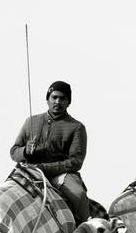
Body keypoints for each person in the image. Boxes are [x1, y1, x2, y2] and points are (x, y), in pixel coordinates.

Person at [10, 80, 89, 224]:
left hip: (61, 176)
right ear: (48, 99)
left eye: (63, 98)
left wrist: (44, 168)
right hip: (30, 172)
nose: (57, 101)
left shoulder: (77, 127)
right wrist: (26, 151)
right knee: (5, 194)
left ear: (68, 102)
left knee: (78, 194)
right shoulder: (31, 122)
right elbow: (14, 152)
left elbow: (76, 162)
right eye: (54, 97)